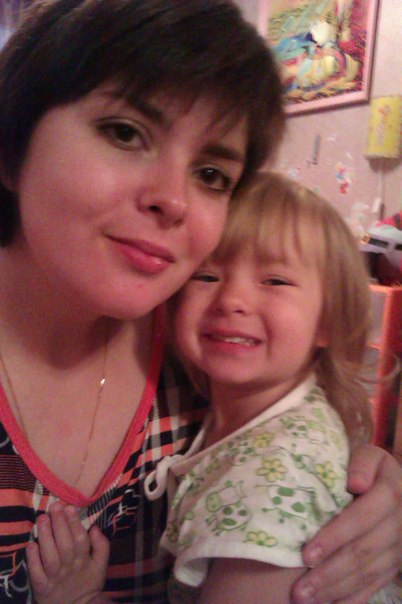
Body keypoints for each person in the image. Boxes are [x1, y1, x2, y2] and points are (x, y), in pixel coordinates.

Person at [0, 1, 400, 602]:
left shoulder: (202, 350)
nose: (175, 199)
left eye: (211, 174)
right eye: (124, 132)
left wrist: (369, 482)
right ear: (11, 146)